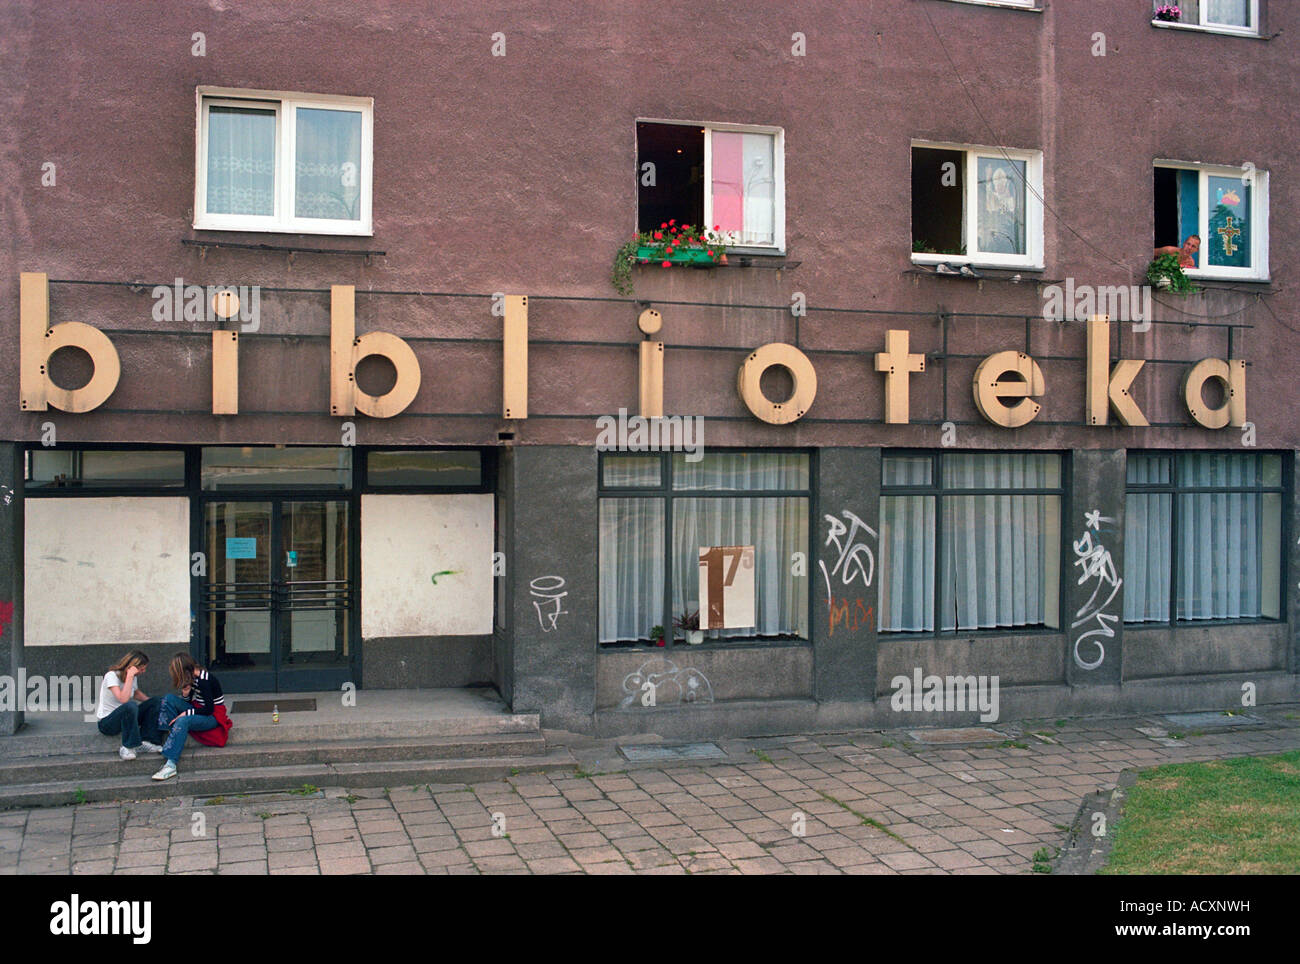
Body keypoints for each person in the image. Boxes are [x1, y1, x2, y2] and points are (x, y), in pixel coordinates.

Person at [152, 653, 230, 781]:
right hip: (199, 709)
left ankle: (171, 764)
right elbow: (189, 702)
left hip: (213, 716)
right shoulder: (193, 678)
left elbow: (209, 709)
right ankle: (169, 738)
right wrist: (186, 694)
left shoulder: (204, 680)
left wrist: (186, 713)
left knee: (183, 719)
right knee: (168, 699)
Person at [95, 650, 165, 759]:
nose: (144, 671)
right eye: (142, 669)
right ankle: (128, 747)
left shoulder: (133, 678)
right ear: (133, 666)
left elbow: (136, 693)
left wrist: (153, 703)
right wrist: (130, 676)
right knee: (130, 705)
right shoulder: (111, 676)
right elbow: (123, 699)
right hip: (108, 722)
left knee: (157, 701)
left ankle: (147, 741)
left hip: (127, 718)